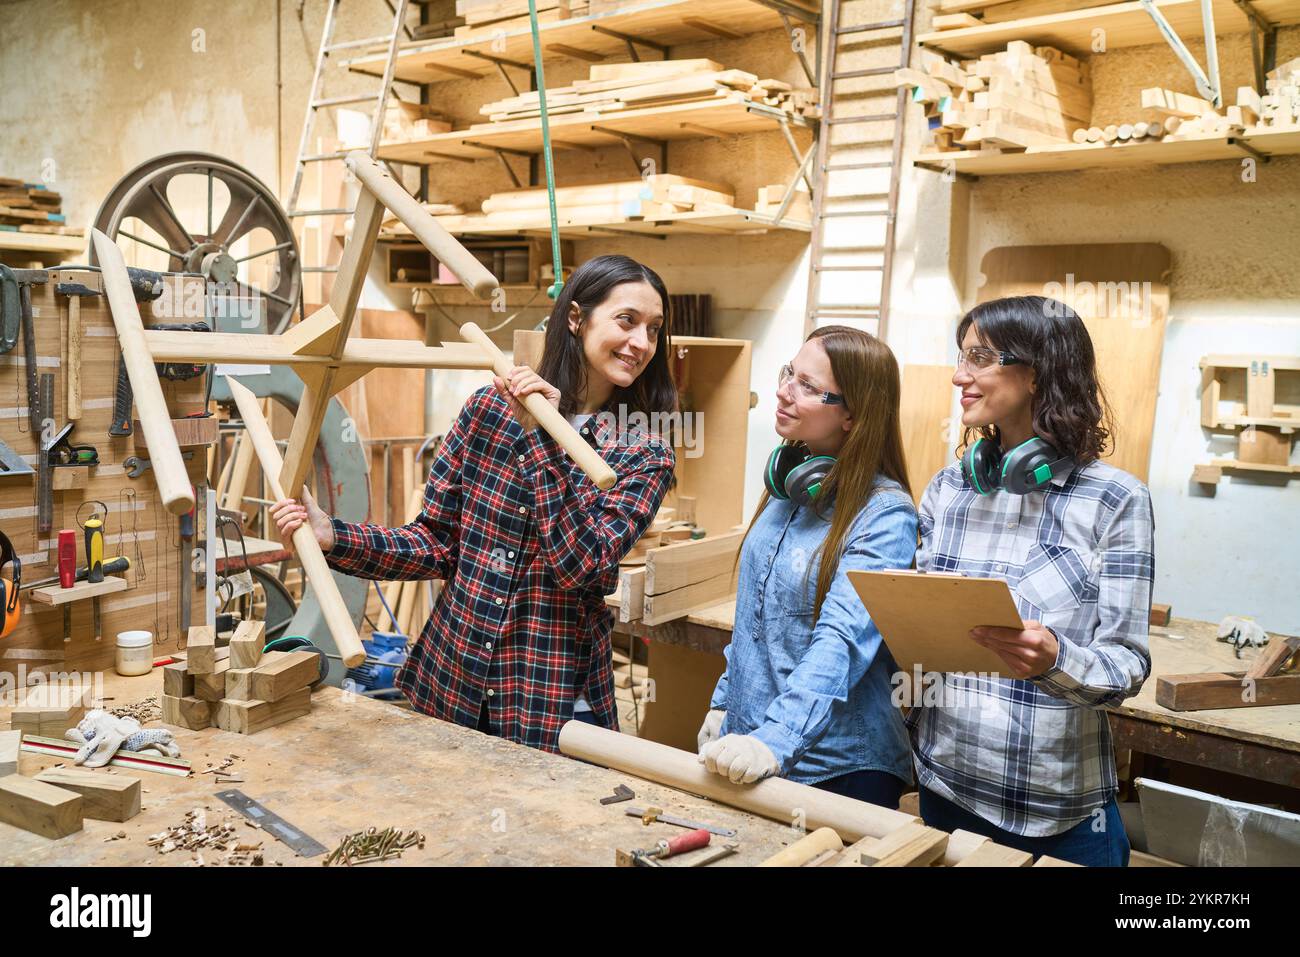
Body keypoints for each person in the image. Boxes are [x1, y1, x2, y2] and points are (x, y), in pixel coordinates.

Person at [270, 255, 678, 754]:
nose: (641, 343)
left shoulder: (643, 450)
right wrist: (335, 534)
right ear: (576, 318)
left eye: (654, 330)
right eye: (627, 320)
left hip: (548, 701)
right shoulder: (489, 410)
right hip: (451, 683)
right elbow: (437, 544)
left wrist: (545, 439)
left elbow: (581, 565)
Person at [909, 295, 1154, 866]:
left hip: (1058, 816)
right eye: (959, 356)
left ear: (1039, 372)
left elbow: (1127, 664)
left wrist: (1055, 660)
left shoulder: (1115, 500)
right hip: (945, 792)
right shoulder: (949, 490)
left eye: (979, 358)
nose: (957, 375)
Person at [696, 326, 917, 809]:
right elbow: (753, 620)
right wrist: (723, 703)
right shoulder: (791, 485)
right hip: (759, 750)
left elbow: (842, 642)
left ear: (853, 418)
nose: (783, 392)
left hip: (837, 767)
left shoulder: (885, 515)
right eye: (788, 375)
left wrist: (772, 740)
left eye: (809, 387)